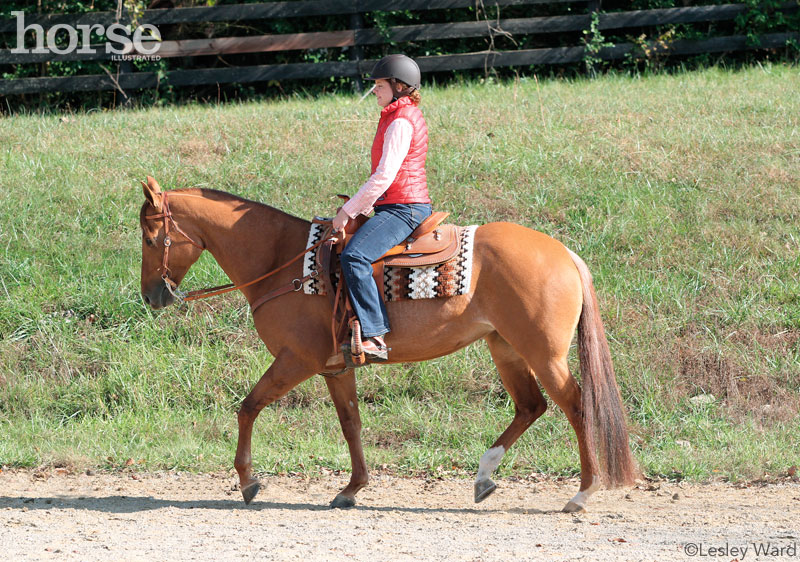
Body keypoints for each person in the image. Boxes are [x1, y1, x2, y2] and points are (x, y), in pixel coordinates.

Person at [332, 54, 432, 361]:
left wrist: (349, 210)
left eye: (379, 85)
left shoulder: (400, 121)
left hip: (404, 208)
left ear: (398, 86)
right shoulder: (396, 115)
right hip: (396, 204)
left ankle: (375, 336)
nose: (374, 90)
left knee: (354, 256)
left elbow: (385, 175)